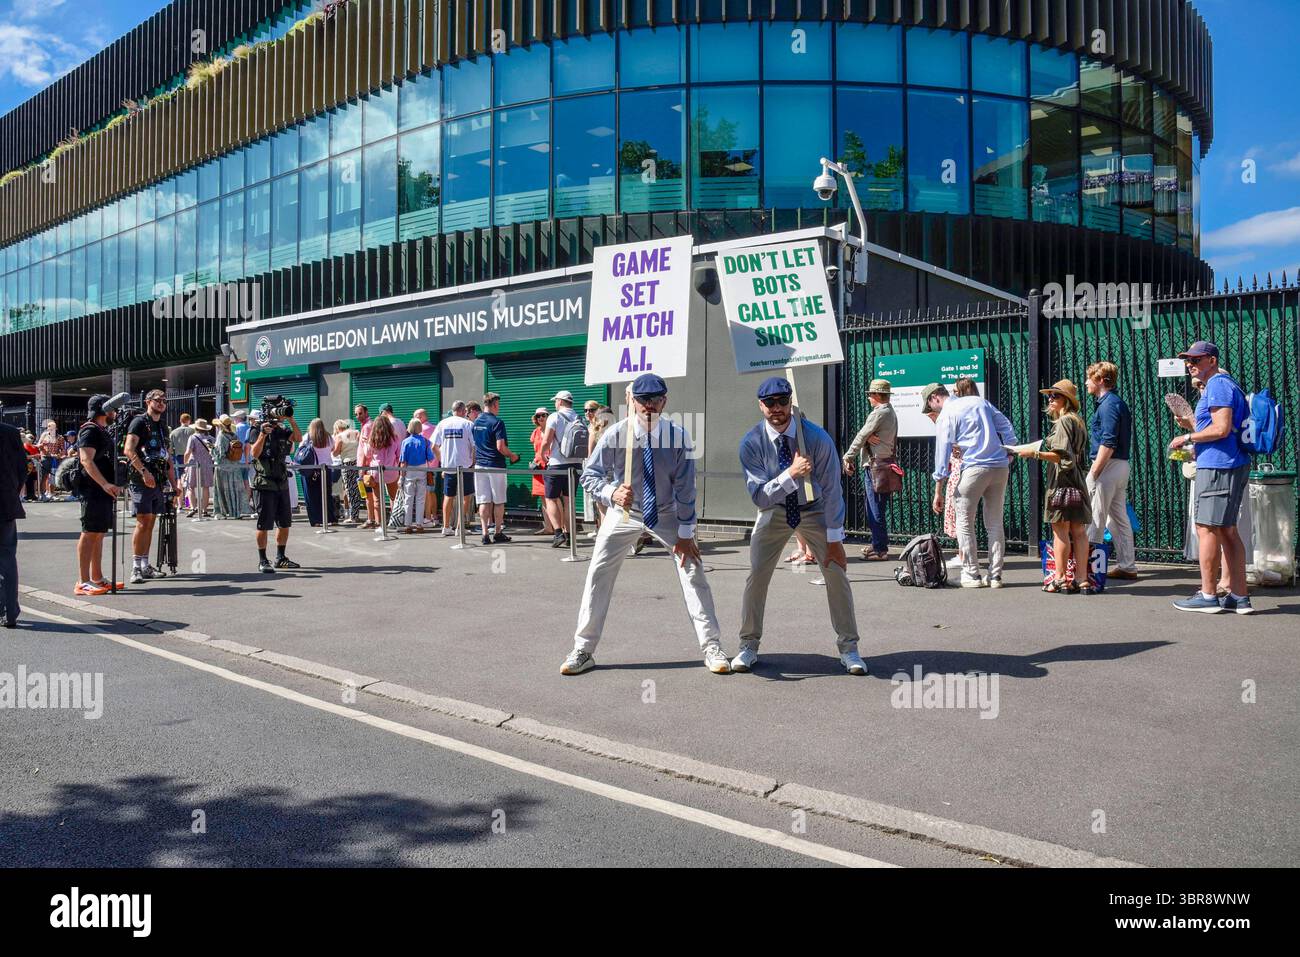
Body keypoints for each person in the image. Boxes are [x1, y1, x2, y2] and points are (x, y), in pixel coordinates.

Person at [560, 374, 730, 676]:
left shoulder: (678, 436)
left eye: (655, 399)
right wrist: (612, 492)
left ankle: (711, 646)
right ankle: (583, 649)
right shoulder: (616, 435)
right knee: (598, 572)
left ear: (664, 401)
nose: (648, 405)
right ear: (633, 401)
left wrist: (686, 533)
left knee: (693, 571)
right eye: (643, 400)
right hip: (624, 514)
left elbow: (686, 489)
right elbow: (590, 476)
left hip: (666, 513)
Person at [735, 377, 866, 676]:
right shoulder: (751, 443)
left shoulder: (816, 438)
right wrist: (791, 474)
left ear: (790, 401)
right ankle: (748, 644)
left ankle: (849, 648)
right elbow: (759, 497)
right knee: (757, 574)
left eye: (782, 401)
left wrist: (835, 539)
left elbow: (833, 490)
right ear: (760, 406)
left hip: (814, 509)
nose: (777, 409)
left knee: (836, 572)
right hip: (775, 511)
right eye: (770, 403)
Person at [1169, 341, 1253, 614]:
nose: (1190, 364)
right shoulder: (1226, 385)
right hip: (1228, 463)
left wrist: (1187, 436)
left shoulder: (1217, 384)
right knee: (1227, 530)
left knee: (1206, 528)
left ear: (1212, 361)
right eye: (1188, 360)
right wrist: (1193, 425)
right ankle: (1238, 597)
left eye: (1196, 359)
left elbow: (1221, 428)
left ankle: (1207, 595)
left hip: (1218, 465)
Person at [927, 381, 1017, 588]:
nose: (932, 410)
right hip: (999, 466)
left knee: (964, 522)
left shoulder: (947, 415)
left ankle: (971, 574)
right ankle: (995, 576)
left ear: (935, 398)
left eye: (930, 406)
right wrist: (1010, 450)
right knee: (994, 522)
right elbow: (1005, 424)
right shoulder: (980, 402)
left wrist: (938, 488)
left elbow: (942, 454)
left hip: (974, 468)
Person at [1017, 381, 1094, 593]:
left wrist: (1033, 453)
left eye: (1055, 396)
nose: (1051, 399)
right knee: (1078, 530)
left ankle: (1060, 579)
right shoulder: (1078, 421)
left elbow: (1061, 456)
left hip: (1061, 481)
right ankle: (1082, 579)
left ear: (1066, 401)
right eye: (1049, 396)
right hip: (1077, 480)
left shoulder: (1062, 423)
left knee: (1060, 530)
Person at [1083, 361, 1138, 580]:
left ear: (1100, 380)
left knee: (1096, 516)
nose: (1086, 382)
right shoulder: (1114, 403)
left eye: (1090, 378)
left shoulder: (1108, 405)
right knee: (1118, 518)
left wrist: (1094, 472)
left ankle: (1088, 569)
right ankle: (1127, 565)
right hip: (1120, 465)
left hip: (1107, 465)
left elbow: (1108, 442)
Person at [843, 378, 899, 561]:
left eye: (870, 395)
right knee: (876, 506)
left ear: (876, 395)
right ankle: (877, 543)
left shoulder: (880, 412)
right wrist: (869, 438)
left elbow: (862, 434)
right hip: (883, 463)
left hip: (875, 466)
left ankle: (880, 549)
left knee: (875, 508)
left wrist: (848, 456)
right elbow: (868, 436)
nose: (868, 398)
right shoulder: (889, 411)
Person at [72, 394, 123, 597]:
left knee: (99, 532)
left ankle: (97, 577)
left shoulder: (102, 430)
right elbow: (86, 460)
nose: (115, 412)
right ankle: (82, 581)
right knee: (90, 531)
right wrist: (104, 483)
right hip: (92, 489)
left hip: (102, 489)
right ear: (103, 410)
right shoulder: (89, 429)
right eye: (112, 408)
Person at [122, 389, 174, 584]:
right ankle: (136, 567)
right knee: (143, 521)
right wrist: (144, 472)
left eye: (163, 400)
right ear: (147, 402)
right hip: (140, 479)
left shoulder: (162, 426)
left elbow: (166, 456)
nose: (161, 403)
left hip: (158, 480)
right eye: (157, 400)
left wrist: (174, 484)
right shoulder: (139, 422)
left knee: (151, 523)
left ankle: (145, 565)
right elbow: (128, 449)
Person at [249, 403, 302, 573]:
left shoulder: (282, 429)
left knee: (285, 523)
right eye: (278, 411)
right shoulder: (257, 429)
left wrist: (291, 419)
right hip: (265, 483)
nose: (280, 414)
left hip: (281, 481)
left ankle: (281, 557)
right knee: (263, 524)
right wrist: (263, 435)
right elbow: (254, 454)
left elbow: (298, 438)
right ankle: (263, 559)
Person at [471, 392, 520, 546]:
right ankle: (498, 532)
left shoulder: (476, 422)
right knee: (499, 501)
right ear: (494, 404)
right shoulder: (497, 422)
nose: (499, 407)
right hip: (495, 465)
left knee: (483, 500)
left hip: (480, 465)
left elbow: (475, 445)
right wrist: (512, 456)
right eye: (498, 404)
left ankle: (485, 533)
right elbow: (500, 447)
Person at [538, 390, 583, 548]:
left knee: (550, 498)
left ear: (560, 401)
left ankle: (558, 533)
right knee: (568, 500)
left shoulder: (555, 417)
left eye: (555, 401)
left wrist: (542, 454)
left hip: (557, 463)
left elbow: (547, 440)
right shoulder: (579, 417)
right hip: (576, 464)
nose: (554, 404)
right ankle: (570, 535)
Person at [432, 401, 476, 537]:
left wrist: (443, 461)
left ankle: (445, 527)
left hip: (449, 466)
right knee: (466, 497)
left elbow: (434, 446)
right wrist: (473, 462)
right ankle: (459, 527)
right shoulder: (468, 424)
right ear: (463, 411)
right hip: (465, 466)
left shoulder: (442, 424)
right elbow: (474, 446)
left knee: (448, 496)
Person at [1, 419, 27, 626]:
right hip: (6, 502)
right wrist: (13, 492)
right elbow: (22, 469)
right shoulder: (10, 432)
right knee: (7, 557)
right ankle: (10, 611)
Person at [360, 412, 400, 529]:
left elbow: (367, 454)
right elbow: (398, 454)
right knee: (394, 498)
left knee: (377, 499)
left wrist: (364, 442)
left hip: (376, 472)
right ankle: (394, 522)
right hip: (392, 471)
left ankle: (380, 524)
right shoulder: (394, 438)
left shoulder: (372, 439)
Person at [299, 418, 337, 528]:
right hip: (327, 469)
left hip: (312, 469)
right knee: (326, 495)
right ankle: (331, 518)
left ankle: (316, 520)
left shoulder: (307, 437)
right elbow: (332, 449)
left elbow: (301, 450)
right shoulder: (329, 437)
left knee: (311, 496)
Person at [398, 418, 434, 533]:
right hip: (422, 470)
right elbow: (430, 457)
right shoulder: (425, 441)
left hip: (409, 471)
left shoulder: (405, 442)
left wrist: (401, 477)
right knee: (420, 499)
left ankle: (408, 525)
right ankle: (419, 524)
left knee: (408, 498)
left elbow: (403, 461)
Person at [584, 405, 614, 539]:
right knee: (616, 507)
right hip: (616, 472)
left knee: (602, 507)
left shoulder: (595, 432)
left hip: (601, 473)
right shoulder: (618, 431)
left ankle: (604, 537)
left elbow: (591, 456)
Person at [212, 416, 248, 520]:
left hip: (223, 467)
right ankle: (236, 512)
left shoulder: (221, 436)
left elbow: (219, 455)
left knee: (221, 490)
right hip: (234, 466)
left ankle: (221, 512)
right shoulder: (234, 435)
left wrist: (211, 449)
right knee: (234, 489)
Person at [528, 408, 555, 534]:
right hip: (538, 468)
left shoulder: (553, 430)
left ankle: (559, 527)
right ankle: (548, 527)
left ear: (548, 416)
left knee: (554, 498)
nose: (540, 418)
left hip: (550, 466)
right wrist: (534, 462)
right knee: (543, 499)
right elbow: (536, 450)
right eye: (538, 416)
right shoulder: (536, 432)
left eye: (543, 415)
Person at [184, 419, 216, 522]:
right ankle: (205, 510)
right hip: (207, 464)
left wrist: (185, 464)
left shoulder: (193, 437)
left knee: (191, 486)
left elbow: (188, 452)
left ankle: (193, 507)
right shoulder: (211, 439)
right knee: (205, 487)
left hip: (194, 464)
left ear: (196, 428)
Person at [332, 418, 362, 525]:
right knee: (356, 489)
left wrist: (333, 449)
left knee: (350, 489)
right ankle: (355, 514)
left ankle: (353, 516)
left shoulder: (339, 436)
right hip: (357, 462)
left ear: (337, 428)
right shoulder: (355, 432)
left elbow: (335, 453)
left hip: (347, 463)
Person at [169, 412, 196, 513]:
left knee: (179, 480)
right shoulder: (193, 431)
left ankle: (180, 505)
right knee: (190, 481)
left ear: (180, 421)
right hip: (191, 457)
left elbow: (170, 449)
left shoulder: (174, 432)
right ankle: (189, 504)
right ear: (189, 420)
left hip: (178, 457)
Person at [36, 419, 64, 501]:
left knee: (53, 477)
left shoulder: (60, 437)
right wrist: (41, 445)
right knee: (44, 476)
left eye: (53, 428)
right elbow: (38, 445)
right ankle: (42, 494)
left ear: (56, 428)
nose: (51, 429)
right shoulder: (44, 435)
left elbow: (62, 449)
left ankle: (51, 493)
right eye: (49, 428)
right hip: (45, 457)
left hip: (55, 458)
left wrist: (59, 455)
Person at [21, 432, 40, 501]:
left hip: (33, 467)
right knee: (25, 481)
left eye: (32, 438)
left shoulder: (35, 447)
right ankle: (24, 495)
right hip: (26, 467)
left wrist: (37, 457)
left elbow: (38, 456)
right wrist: (34, 456)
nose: (31, 440)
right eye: (29, 438)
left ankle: (33, 494)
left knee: (34, 480)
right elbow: (25, 456)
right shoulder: (23, 446)